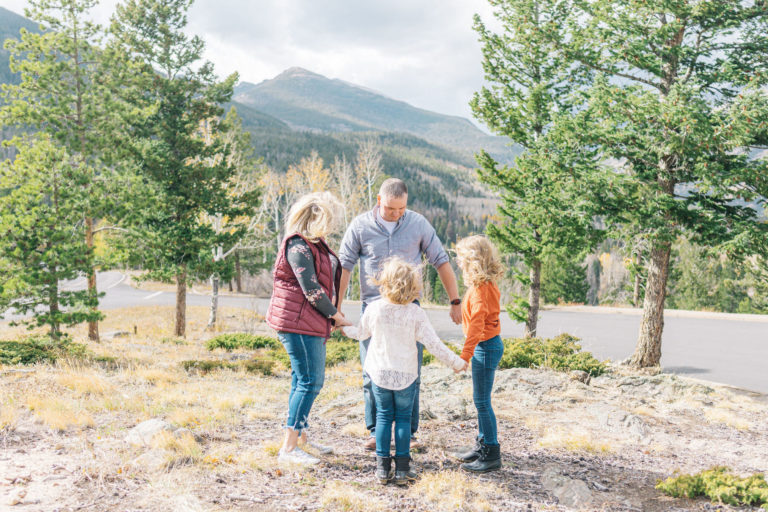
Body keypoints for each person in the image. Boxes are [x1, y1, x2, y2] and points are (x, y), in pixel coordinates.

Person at [337, 178, 463, 451]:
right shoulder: (360, 225)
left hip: (409, 309)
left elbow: (441, 261)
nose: (397, 214)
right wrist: (336, 309)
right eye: (392, 209)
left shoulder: (418, 224)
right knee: (372, 373)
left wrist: (455, 301)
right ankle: (375, 430)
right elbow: (344, 267)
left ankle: (410, 433)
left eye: (402, 209)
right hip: (373, 310)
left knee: (411, 371)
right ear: (379, 201)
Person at [344, 257, 467, 485]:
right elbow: (434, 344)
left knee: (382, 417)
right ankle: (402, 470)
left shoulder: (374, 309)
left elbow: (360, 333)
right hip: (406, 376)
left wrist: (341, 325)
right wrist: (456, 363)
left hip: (379, 374)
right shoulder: (415, 313)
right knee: (402, 420)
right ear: (413, 286)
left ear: (384, 283)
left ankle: (382, 469)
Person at [265, 191, 351, 466]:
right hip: (298, 324)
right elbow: (312, 290)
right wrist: (336, 315)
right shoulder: (298, 247)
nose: (334, 224)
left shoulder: (314, 244)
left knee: (301, 379)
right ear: (317, 217)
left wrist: (332, 313)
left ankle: (299, 436)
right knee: (310, 381)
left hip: (309, 322)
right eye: (330, 218)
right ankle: (289, 449)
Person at [450, 235, 505, 472]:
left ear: (473, 260)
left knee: (482, 402)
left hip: (486, 347)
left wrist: (465, 355)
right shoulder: (481, 285)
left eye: (461, 259)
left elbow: (477, 326)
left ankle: (491, 453)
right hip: (487, 346)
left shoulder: (482, 289)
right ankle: (482, 444)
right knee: (481, 400)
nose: (458, 263)